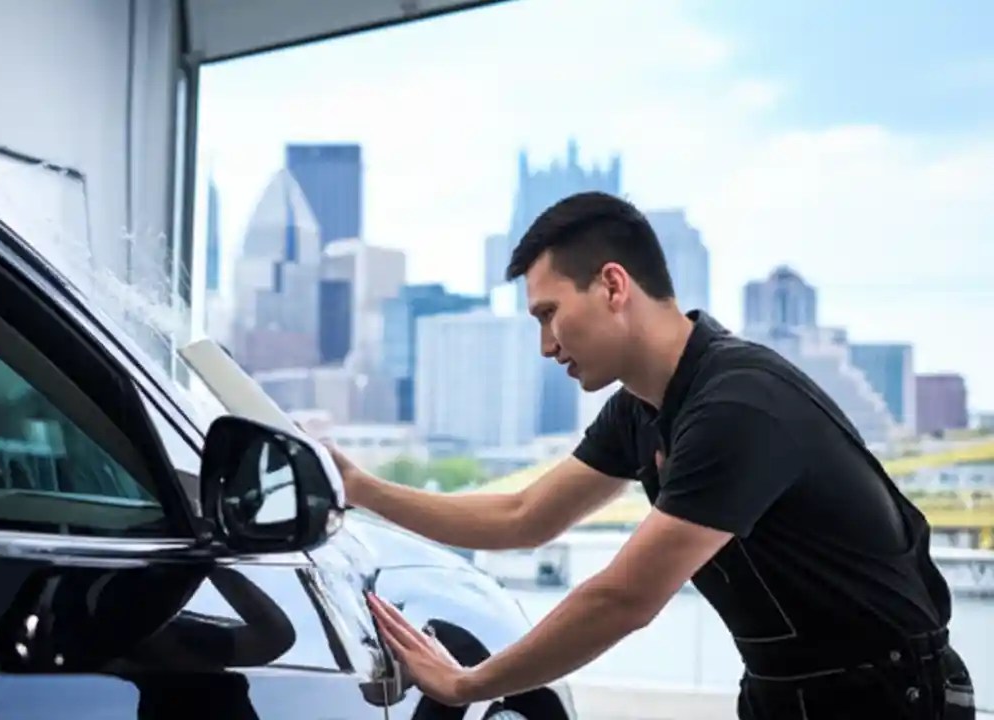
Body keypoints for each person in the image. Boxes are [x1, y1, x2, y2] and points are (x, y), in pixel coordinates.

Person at [345, 191, 975, 718]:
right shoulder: (643, 409)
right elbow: (523, 517)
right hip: (781, 694)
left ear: (613, 285)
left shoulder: (738, 404)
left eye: (549, 314)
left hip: (892, 700)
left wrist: (467, 684)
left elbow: (623, 599)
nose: (545, 345)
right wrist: (360, 489)